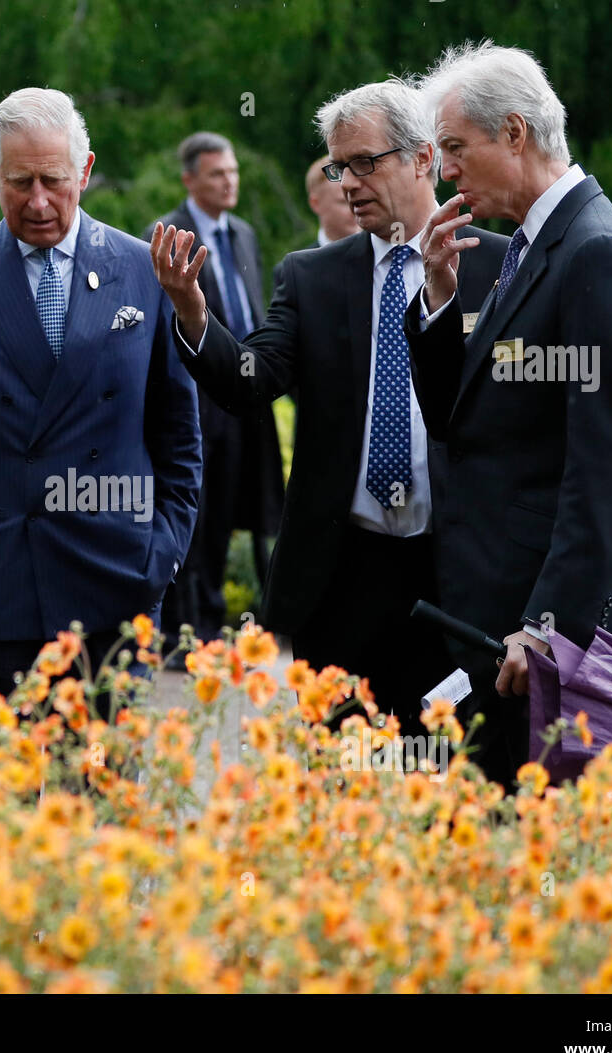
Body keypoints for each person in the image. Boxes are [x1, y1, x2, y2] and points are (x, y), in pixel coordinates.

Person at [150, 80, 507, 728]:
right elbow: (247, 381)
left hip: (454, 578)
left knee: (448, 790)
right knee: (342, 792)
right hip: (342, 582)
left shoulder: (498, 268)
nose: (348, 182)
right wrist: (194, 313)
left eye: (365, 162)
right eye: (341, 167)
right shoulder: (311, 277)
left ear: (424, 157)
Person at [0, 87, 201, 696]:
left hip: (114, 587)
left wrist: (160, 556)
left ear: (84, 170)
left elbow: (180, 439)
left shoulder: (144, 271)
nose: (37, 202)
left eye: (53, 181)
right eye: (19, 182)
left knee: (103, 789)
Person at [405, 41, 612, 785]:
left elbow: (604, 469)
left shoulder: (596, 253)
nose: (445, 170)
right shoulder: (529, 245)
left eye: (454, 147)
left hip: (544, 640)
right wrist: (440, 298)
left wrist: (549, 628)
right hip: (495, 618)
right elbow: (465, 419)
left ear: (514, 134)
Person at [142, 132, 284, 661]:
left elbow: (251, 307)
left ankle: (213, 624)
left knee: (232, 514)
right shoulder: (165, 235)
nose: (230, 182)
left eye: (233, 172)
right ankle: (185, 634)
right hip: (197, 399)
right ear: (190, 180)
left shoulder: (241, 234)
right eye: (217, 174)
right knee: (194, 518)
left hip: (247, 396)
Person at [302, 154, 359, 248]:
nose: (355, 209)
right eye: (343, 202)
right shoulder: (299, 262)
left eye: (357, 200)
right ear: (315, 204)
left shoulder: (389, 256)